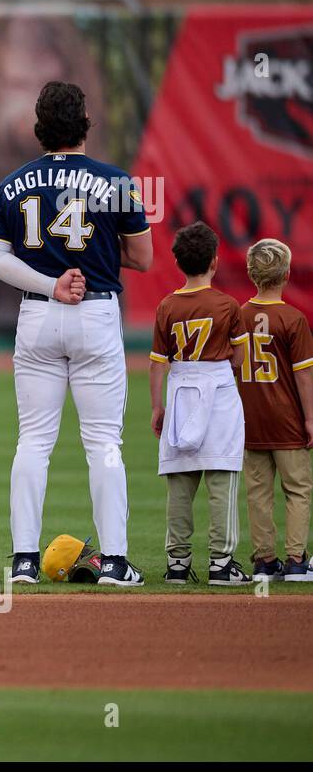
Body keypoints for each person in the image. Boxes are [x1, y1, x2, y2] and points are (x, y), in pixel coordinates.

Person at [0, 81, 153, 586]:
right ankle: (116, 562)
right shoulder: (115, 181)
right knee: (103, 443)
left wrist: (50, 284)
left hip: (37, 314)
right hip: (95, 314)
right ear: (86, 126)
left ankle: (25, 562)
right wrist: (92, 255)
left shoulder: (11, 184)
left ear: (38, 131)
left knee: (33, 441)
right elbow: (142, 257)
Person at [148, 223, 249, 586]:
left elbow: (158, 361)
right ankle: (222, 563)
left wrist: (157, 407)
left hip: (180, 391)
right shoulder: (227, 304)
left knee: (180, 481)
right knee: (221, 479)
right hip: (218, 390)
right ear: (214, 262)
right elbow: (238, 358)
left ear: (177, 261)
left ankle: (178, 562)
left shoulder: (167, 305)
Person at [235, 239, 313, 582]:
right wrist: (310, 417)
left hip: (250, 417)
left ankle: (265, 562)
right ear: (286, 274)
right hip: (287, 417)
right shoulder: (293, 318)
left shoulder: (237, 314)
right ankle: (297, 561)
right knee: (297, 489)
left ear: (252, 273)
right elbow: (304, 375)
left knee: (258, 492)